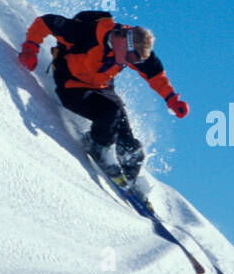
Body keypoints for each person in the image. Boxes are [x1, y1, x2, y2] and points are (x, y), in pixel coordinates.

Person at [18, 11, 188, 194]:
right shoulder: (86, 33)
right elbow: (45, 22)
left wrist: (172, 99)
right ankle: (98, 146)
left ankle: (131, 178)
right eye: (131, 59)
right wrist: (30, 48)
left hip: (101, 87)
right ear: (123, 42)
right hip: (71, 85)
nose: (132, 63)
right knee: (111, 111)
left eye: (135, 61)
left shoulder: (133, 50)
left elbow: (155, 75)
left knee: (130, 142)